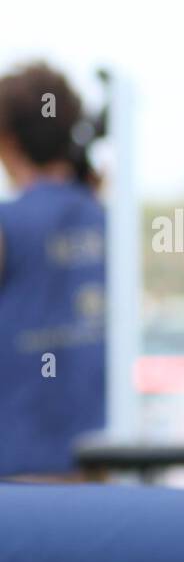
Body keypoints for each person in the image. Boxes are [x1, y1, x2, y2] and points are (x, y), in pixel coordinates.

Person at [0, 61, 107, 479]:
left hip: (17, 483)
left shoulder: (10, 224)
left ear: (8, 141)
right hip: (97, 475)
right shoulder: (105, 219)